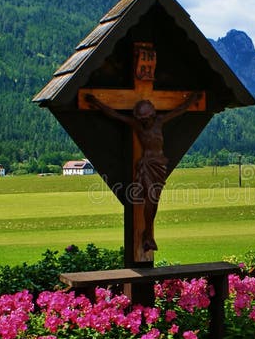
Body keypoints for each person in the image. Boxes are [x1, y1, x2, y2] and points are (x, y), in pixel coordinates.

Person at [85, 91, 202, 251]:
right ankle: (148, 235)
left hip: (160, 165)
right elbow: (115, 115)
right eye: (142, 119)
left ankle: (148, 234)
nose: (145, 122)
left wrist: (192, 100)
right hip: (147, 165)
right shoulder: (137, 125)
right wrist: (97, 103)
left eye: (147, 119)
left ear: (152, 115)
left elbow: (178, 110)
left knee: (154, 201)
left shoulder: (159, 122)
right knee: (150, 198)